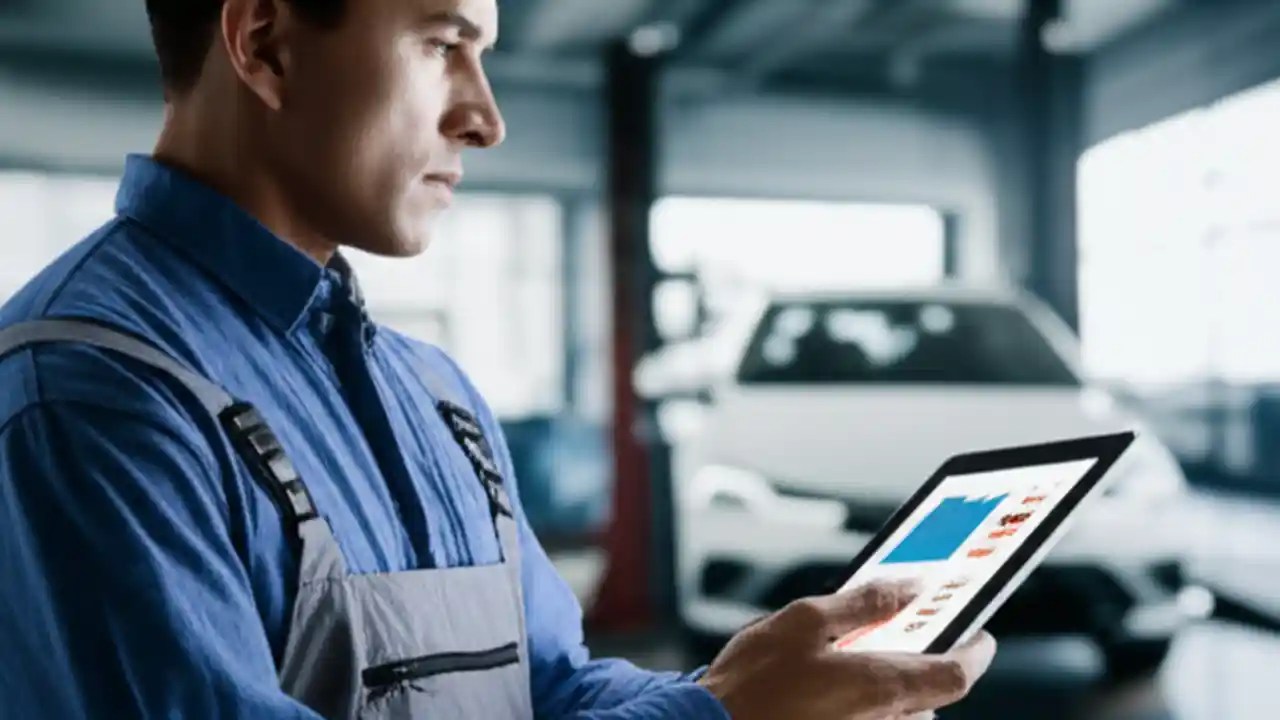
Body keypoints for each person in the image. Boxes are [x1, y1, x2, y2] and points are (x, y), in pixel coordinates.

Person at [0, 0, 997, 718]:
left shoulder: (434, 394)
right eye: (443, 45)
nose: (485, 117)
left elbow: (547, 688)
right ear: (265, 43)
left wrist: (753, 691)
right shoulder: (88, 394)